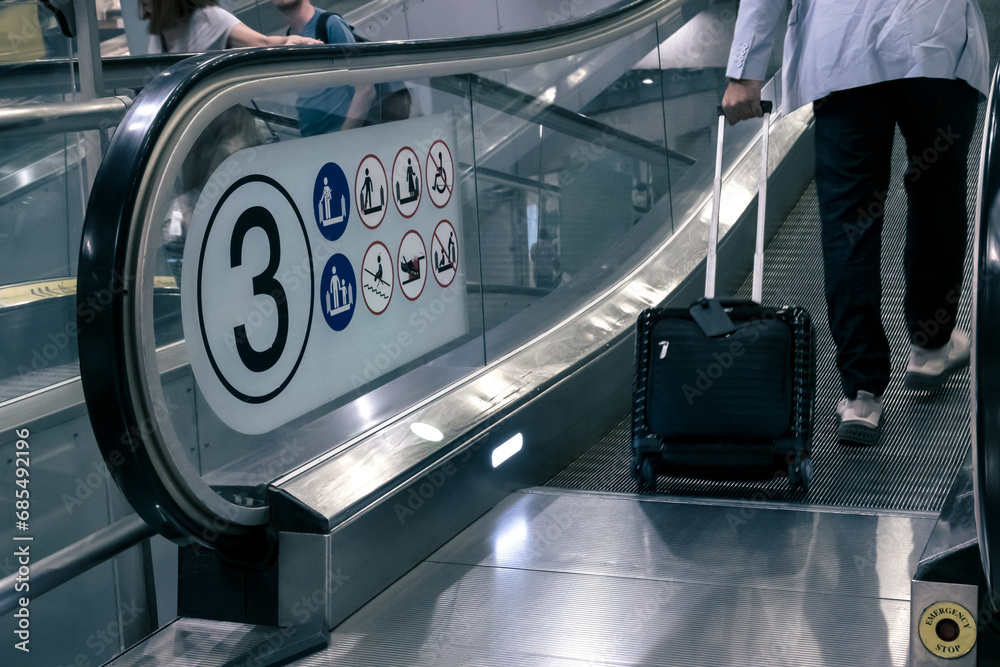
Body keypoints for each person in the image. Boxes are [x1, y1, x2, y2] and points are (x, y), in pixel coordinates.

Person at [721, 0, 990, 445]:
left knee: (850, 220)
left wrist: (745, 71)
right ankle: (930, 347)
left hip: (842, 51)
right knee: (937, 199)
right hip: (936, 43)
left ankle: (862, 394)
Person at [270, 0, 376, 135]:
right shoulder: (289, 39)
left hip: (338, 136)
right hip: (311, 138)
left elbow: (366, 89)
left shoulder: (330, 24)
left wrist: (345, 136)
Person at [140, 0, 319, 54]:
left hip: (223, 127)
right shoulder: (158, 32)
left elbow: (262, 42)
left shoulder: (208, 18)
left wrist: (288, 41)